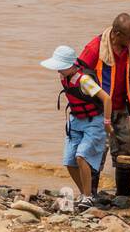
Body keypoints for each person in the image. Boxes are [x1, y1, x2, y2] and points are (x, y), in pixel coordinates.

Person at [77, 13, 130, 198]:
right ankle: (90, 193)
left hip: (121, 107)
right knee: (97, 149)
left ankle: (124, 192)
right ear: (117, 34)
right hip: (99, 110)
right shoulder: (94, 48)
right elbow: (80, 76)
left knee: (125, 148)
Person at [41, 45, 112, 211]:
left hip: (93, 122)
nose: (58, 70)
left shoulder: (85, 80)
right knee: (69, 161)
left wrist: (107, 123)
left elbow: (106, 99)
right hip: (75, 121)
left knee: (82, 156)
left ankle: (87, 196)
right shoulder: (63, 77)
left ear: (71, 65)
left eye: (60, 66)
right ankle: (84, 194)